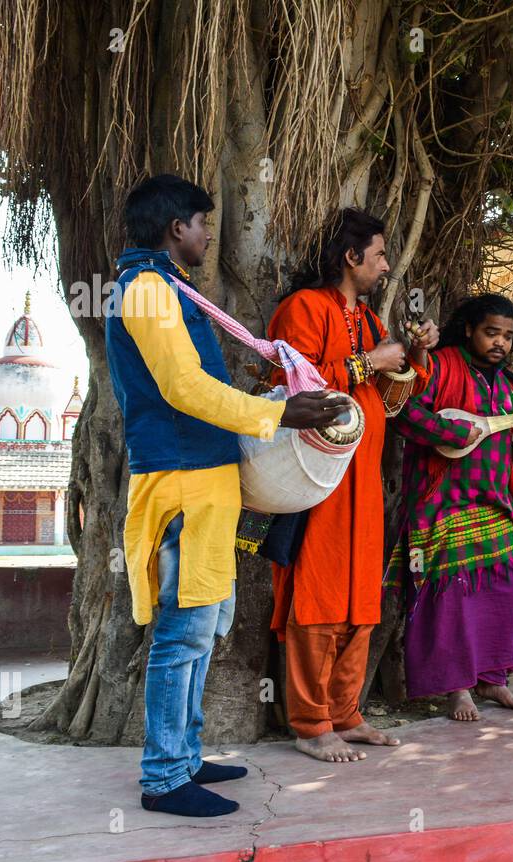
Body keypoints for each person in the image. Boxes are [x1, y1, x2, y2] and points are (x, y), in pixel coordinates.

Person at [106, 174, 347, 816]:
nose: (208, 235)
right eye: (202, 224)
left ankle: (184, 755)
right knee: (182, 633)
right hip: (182, 477)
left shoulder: (165, 288)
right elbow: (183, 388)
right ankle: (163, 778)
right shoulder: (148, 290)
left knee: (204, 626)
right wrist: (278, 416)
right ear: (175, 226)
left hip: (204, 477)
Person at [267, 207, 439, 763]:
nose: (387, 265)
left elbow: (391, 401)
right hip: (316, 478)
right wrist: (371, 362)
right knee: (317, 596)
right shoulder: (303, 309)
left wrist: (412, 357)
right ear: (351, 256)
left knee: (361, 599)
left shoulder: (364, 319)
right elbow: (297, 390)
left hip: (364, 479)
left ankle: (346, 714)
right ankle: (310, 722)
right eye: (382, 254)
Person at [387, 293, 513, 721]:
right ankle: (456, 687)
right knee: (454, 592)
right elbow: (399, 409)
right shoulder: (440, 365)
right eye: (491, 332)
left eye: (508, 337)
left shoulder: (510, 388)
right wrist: (446, 432)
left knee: (508, 588)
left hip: (497, 501)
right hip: (443, 502)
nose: (500, 344)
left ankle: (492, 678)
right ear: (469, 329)